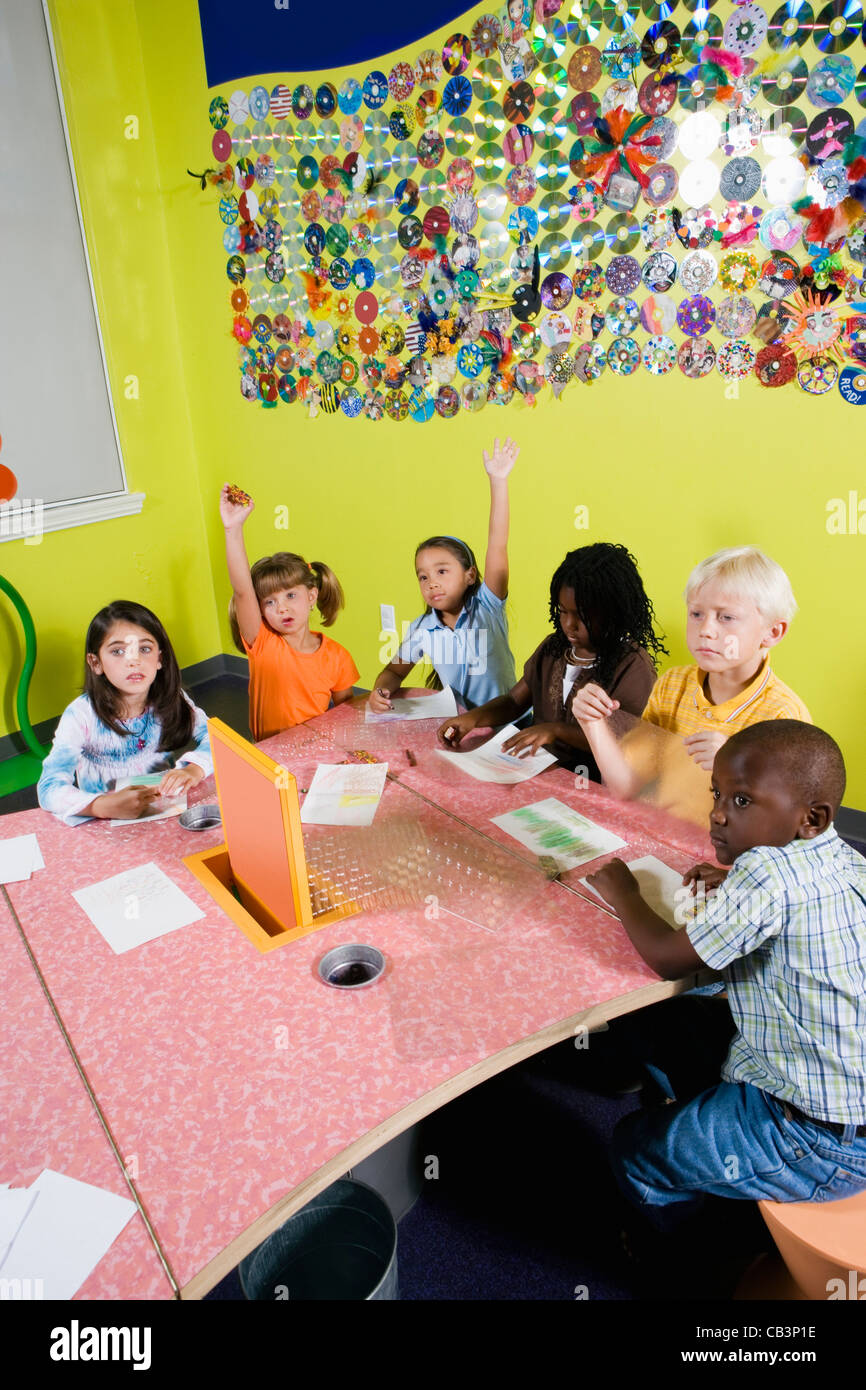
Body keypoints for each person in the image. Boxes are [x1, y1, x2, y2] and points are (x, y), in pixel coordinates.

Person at [587, 720, 866, 1211]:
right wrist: (732, 879)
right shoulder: (847, 858)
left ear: (812, 818)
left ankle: (689, 1250)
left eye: (741, 801)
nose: (716, 814)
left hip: (815, 1137)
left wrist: (624, 892)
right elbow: (788, 889)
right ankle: (705, 1127)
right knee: (672, 1020)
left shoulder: (765, 874)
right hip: (846, 1109)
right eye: (717, 794)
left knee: (634, 1146)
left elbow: (668, 959)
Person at [573, 545, 811, 826]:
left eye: (726, 617)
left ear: (772, 632)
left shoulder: (783, 716)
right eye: (696, 614)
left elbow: (784, 824)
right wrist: (592, 722)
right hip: (664, 843)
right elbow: (626, 786)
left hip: (731, 863)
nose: (706, 630)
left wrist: (734, 766)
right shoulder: (672, 686)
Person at [436, 542, 665, 775]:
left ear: (612, 612)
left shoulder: (633, 666)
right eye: (563, 612)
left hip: (593, 783)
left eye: (582, 616)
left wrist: (556, 730)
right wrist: (473, 719)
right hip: (537, 770)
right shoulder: (553, 649)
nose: (568, 625)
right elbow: (515, 702)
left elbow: (623, 739)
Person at [368, 439, 519, 715]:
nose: (431, 582)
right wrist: (381, 691)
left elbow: (497, 543)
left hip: (509, 727)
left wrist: (498, 481)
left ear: (470, 575)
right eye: (423, 577)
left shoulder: (488, 607)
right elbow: (393, 671)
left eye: (441, 571)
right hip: (461, 728)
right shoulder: (422, 628)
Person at [37, 601, 212, 825]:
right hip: (105, 824)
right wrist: (100, 806)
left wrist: (194, 769)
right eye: (118, 651)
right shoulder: (80, 716)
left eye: (145, 649)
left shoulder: (171, 697)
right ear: (96, 662)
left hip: (163, 814)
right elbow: (49, 787)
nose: (134, 661)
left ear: (160, 658)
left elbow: (216, 738)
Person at [220, 484, 359, 741]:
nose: (281, 607)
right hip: (269, 754)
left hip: (314, 751)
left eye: (290, 596)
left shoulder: (338, 657)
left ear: (311, 596)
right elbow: (241, 590)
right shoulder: (262, 642)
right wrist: (233, 529)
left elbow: (346, 715)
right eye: (269, 602)